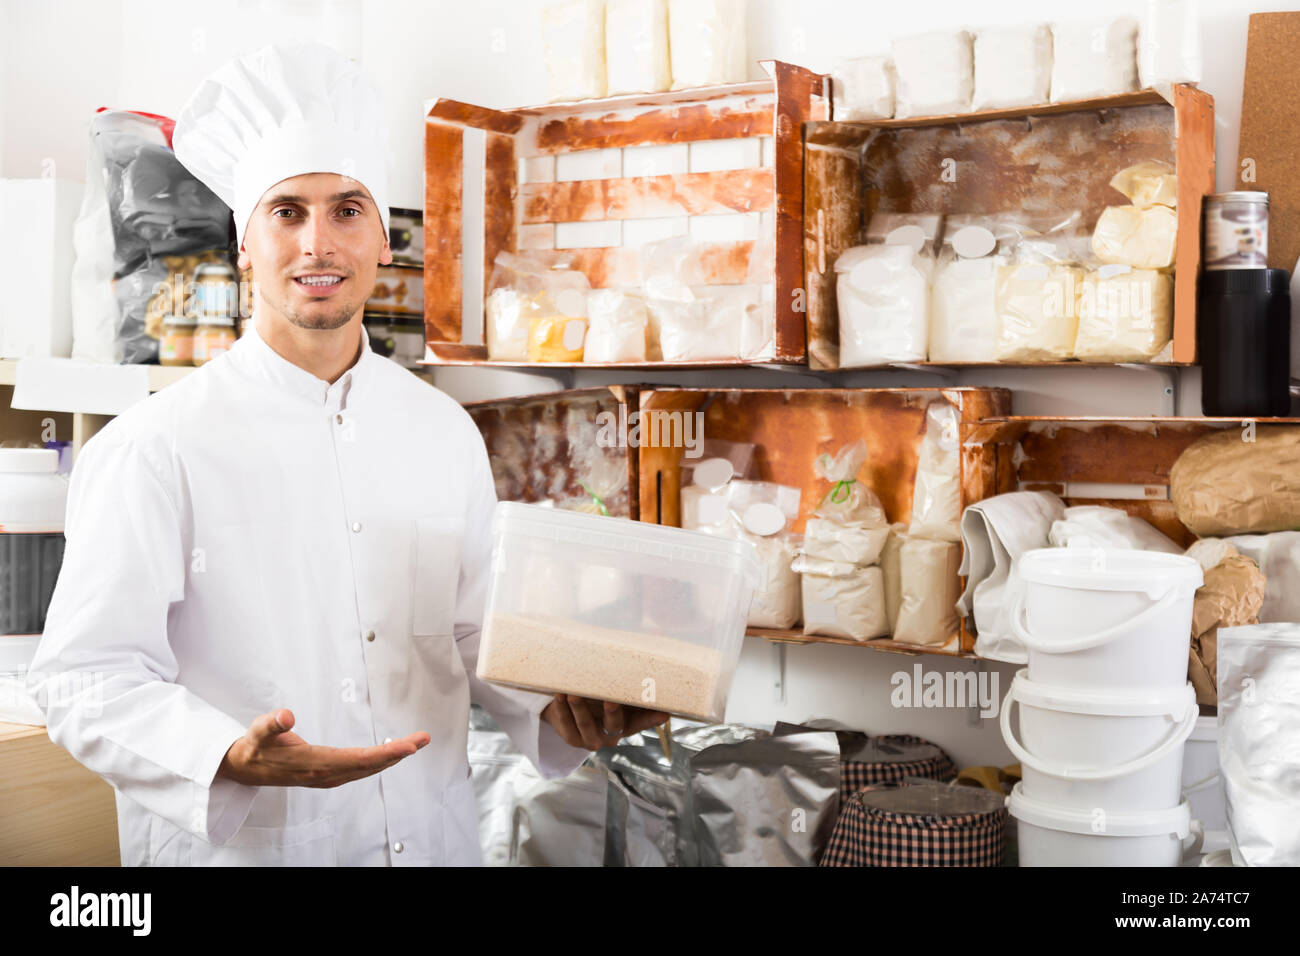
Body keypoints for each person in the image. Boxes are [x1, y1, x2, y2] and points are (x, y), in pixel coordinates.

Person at [27, 41, 668, 866]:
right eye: (287, 212)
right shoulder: (155, 449)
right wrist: (223, 754)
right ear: (244, 244)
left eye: (347, 209)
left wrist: (563, 708)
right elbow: (84, 681)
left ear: (385, 242)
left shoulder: (441, 431)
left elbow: (474, 637)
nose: (318, 245)